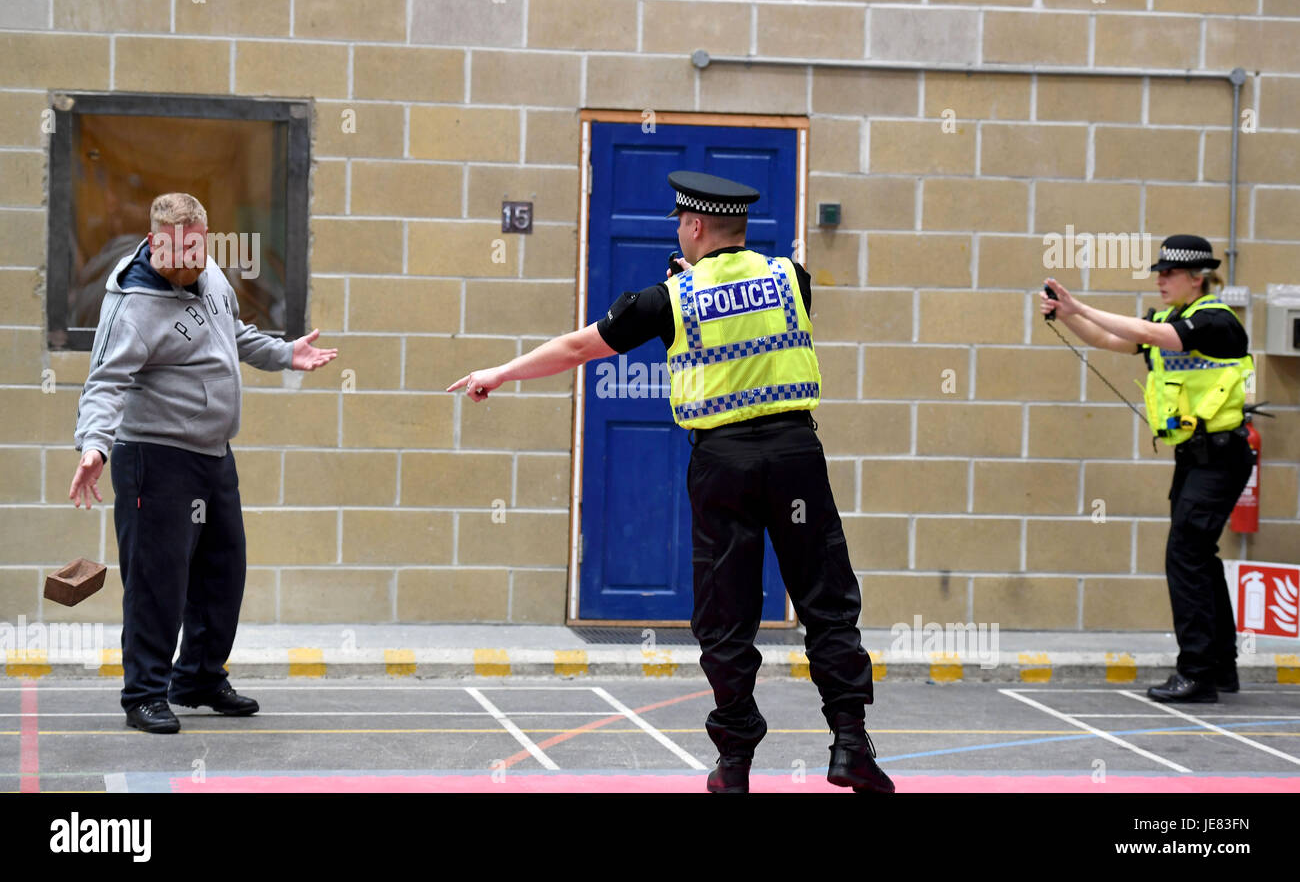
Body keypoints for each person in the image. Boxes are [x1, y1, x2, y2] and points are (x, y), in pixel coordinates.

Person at [449, 171, 893, 793]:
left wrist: (497, 372)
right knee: (826, 599)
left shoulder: (668, 300)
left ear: (693, 226)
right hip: (795, 455)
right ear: (741, 228)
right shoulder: (793, 278)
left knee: (725, 610)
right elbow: (751, 313)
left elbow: (579, 348)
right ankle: (850, 744)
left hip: (723, 464)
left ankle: (734, 760)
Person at [69, 192, 339, 733]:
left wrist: (285, 353)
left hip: (214, 455)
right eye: (178, 256)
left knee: (222, 573)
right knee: (156, 581)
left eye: (197, 253)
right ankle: (144, 694)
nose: (189, 265)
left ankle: (197, 677)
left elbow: (230, 334)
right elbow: (105, 382)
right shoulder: (133, 304)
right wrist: (94, 445)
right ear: (153, 242)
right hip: (155, 457)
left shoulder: (208, 270)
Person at [1041, 234, 1254, 704]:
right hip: (1196, 458)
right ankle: (1220, 667)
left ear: (1197, 278)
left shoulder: (1216, 320)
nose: (1160, 279)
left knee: (1186, 555)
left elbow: (1155, 337)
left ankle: (1197, 672)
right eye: (1158, 272)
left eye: (1169, 273)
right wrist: (1070, 316)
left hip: (1221, 457)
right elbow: (1110, 339)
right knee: (1198, 555)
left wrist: (1083, 305)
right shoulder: (1167, 318)